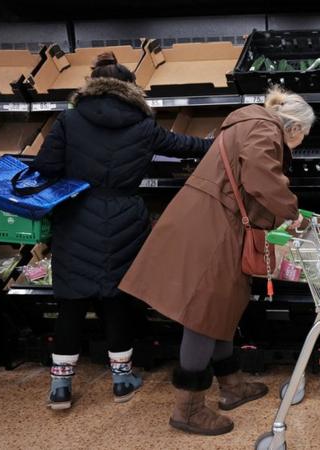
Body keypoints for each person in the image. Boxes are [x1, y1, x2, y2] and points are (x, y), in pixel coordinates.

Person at [120, 86, 313, 435]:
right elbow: (260, 177)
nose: (298, 145)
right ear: (294, 128)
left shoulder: (247, 122)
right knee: (202, 312)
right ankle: (188, 408)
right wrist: (291, 213)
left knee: (222, 304)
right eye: (302, 138)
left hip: (208, 220)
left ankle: (231, 385)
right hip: (212, 228)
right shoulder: (265, 129)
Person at [32, 52, 212, 410]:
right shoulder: (143, 126)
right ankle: (122, 381)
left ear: (91, 85)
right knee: (117, 302)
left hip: (76, 216)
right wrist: (224, 142)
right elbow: (187, 147)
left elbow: (45, 167)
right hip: (125, 219)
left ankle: (61, 389)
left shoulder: (69, 121)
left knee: (70, 304)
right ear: (131, 88)